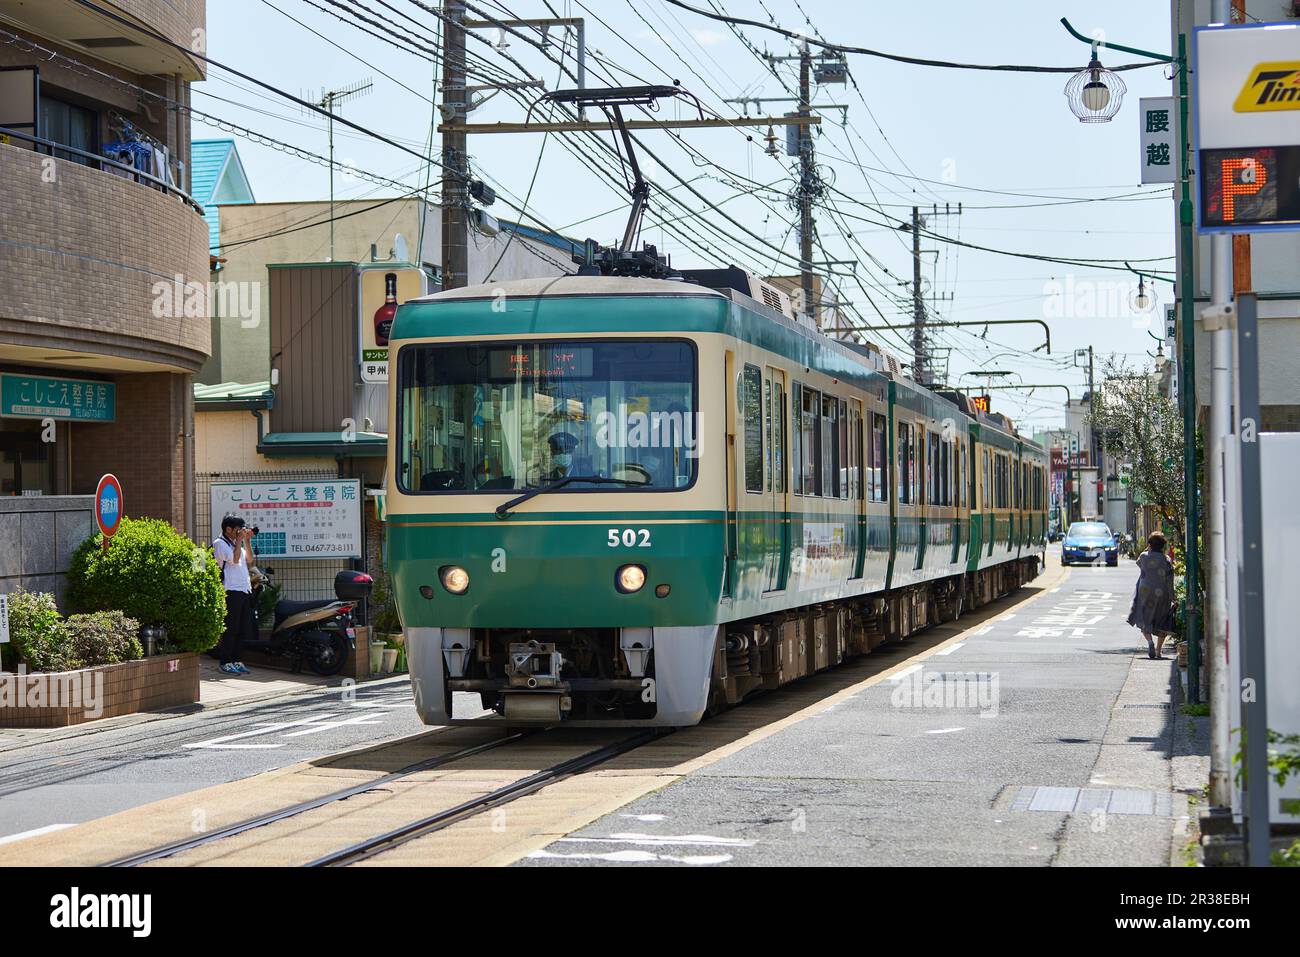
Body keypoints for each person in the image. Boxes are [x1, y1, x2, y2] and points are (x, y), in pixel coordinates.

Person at [212, 516, 256, 675]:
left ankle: (237, 660)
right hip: (230, 591)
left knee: (242, 629)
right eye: (238, 529)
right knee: (230, 629)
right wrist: (239, 541)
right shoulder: (220, 544)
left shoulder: (236, 544)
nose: (240, 532)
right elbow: (235, 559)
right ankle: (225, 662)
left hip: (244, 590)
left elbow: (250, 560)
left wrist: (247, 541)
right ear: (228, 529)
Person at [1127, 531, 1175, 659]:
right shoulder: (1167, 560)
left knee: (1144, 618)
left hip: (1145, 592)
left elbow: (1138, 563)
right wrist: (1173, 597)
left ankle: (1149, 642)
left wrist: (1147, 549)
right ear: (1163, 546)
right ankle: (1158, 651)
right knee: (1163, 620)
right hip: (1162, 593)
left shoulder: (1143, 556)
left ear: (1150, 545)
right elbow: (1170, 580)